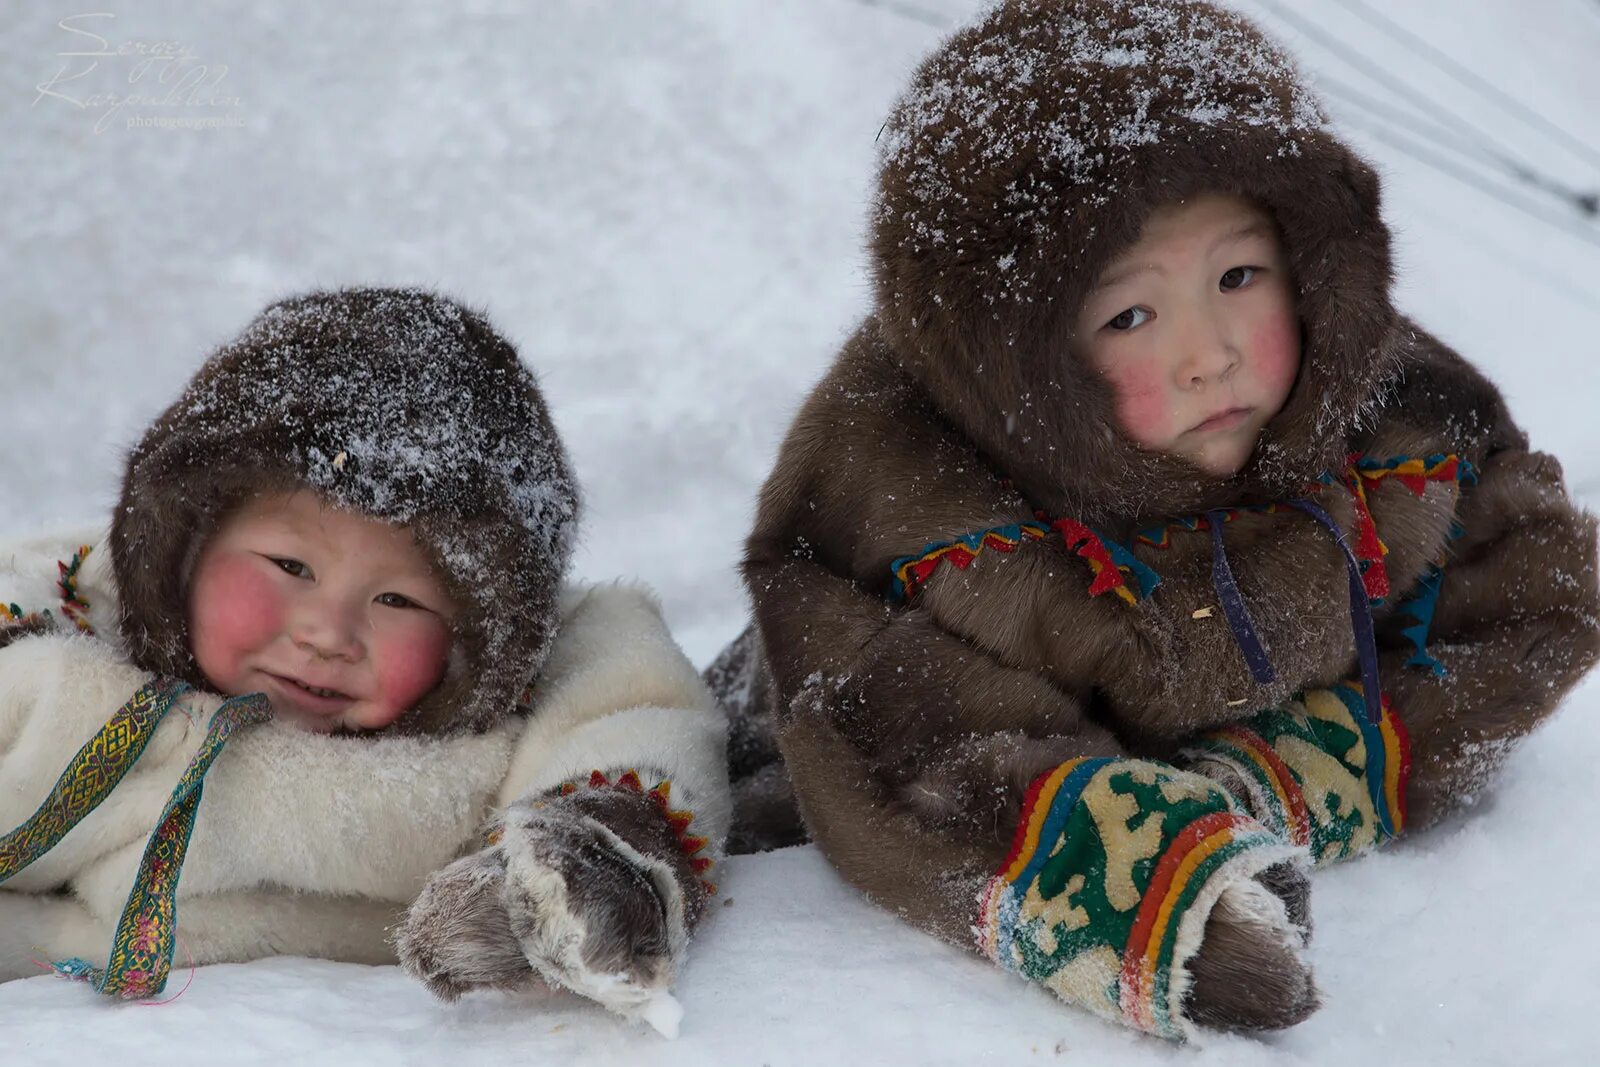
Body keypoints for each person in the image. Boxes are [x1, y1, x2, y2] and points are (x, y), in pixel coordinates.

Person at [707, 0, 1598, 1040]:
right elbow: (920, 749)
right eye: (1131, 313)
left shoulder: (1389, 413)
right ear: (1021, 359)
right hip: (776, 709)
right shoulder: (905, 499)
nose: (1209, 351)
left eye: (1237, 276)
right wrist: (1157, 898)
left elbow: (1531, 591)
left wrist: (1300, 767)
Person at [0, 288, 728, 1034]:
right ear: (187, 542)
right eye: (290, 564)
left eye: (399, 601)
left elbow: (636, 714)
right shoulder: (71, 614)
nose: (329, 632)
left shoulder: (523, 677)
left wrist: (582, 868)